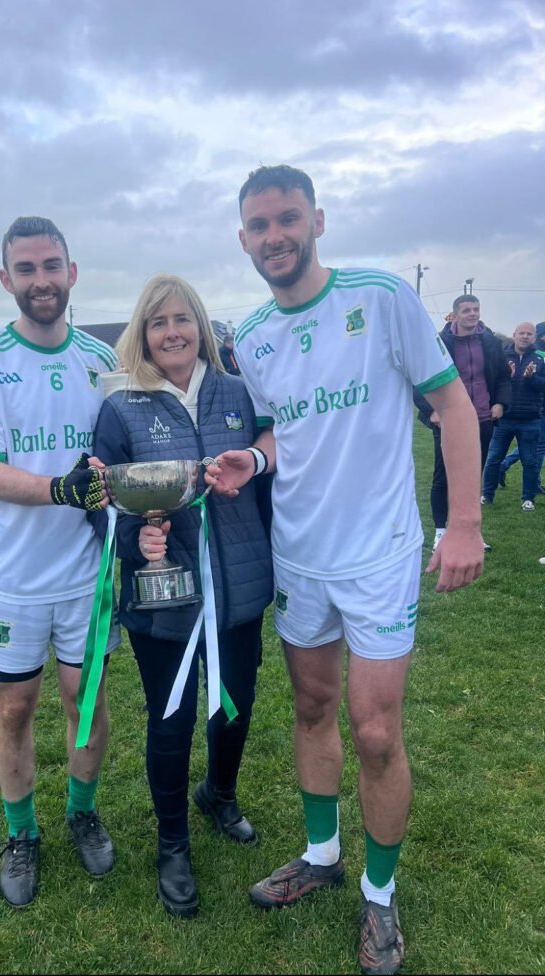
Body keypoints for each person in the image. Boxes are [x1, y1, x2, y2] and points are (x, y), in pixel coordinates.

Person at [206, 165, 484, 976]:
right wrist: (255, 460)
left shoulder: (381, 297)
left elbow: (453, 406)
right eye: (260, 225)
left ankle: (380, 896)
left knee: (376, 730)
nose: (275, 236)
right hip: (300, 555)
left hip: (379, 555)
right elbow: (278, 432)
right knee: (312, 706)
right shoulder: (253, 335)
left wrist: (465, 525)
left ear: (317, 221)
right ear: (243, 238)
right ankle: (322, 855)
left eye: (288, 218)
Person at [0, 216, 120, 909]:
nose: (41, 280)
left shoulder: (101, 361)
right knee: (14, 706)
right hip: (11, 577)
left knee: (87, 700)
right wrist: (60, 489)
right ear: (6, 279)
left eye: (52, 266)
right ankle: (22, 832)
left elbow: (122, 452)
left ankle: (82, 811)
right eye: (26, 269)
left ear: (71, 273)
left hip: (84, 575)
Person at [91, 274, 272, 919]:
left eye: (183, 319)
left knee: (235, 705)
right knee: (171, 719)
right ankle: (172, 845)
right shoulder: (121, 407)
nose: (172, 332)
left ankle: (219, 792)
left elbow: (268, 479)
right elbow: (103, 501)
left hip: (239, 585)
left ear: (201, 326)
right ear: (142, 333)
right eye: (158, 321)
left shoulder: (236, 392)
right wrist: (134, 540)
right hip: (163, 596)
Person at [414, 292, 510, 551]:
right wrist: (431, 411)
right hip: (448, 420)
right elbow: (418, 378)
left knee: (472, 477)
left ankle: (469, 532)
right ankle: (441, 531)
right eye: (466, 310)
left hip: (482, 419)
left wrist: (500, 403)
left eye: (476, 309)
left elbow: (503, 376)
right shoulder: (439, 342)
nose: (473, 314)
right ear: (454, 315)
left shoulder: (490, 342)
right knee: (443, 476)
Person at [481, 323, 545, 511]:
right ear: (515, 335)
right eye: (522, 333)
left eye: (529, 334)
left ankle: (528, 499)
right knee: (494, 458)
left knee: (530, 461)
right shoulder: (502, 355)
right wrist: (508, 376)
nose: (525, 336)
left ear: (534, 337)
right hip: (504, 418)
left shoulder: (540, 358)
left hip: (531, 418)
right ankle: (486, 495)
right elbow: (492, 381)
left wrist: (531, 378)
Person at [498, 321, 545, 495]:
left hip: (537, 406)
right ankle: (533, 484)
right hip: (537, 407)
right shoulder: (538, 354)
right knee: (538, 446)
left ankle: (505, 465)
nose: (526, 337)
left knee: (536, 445)